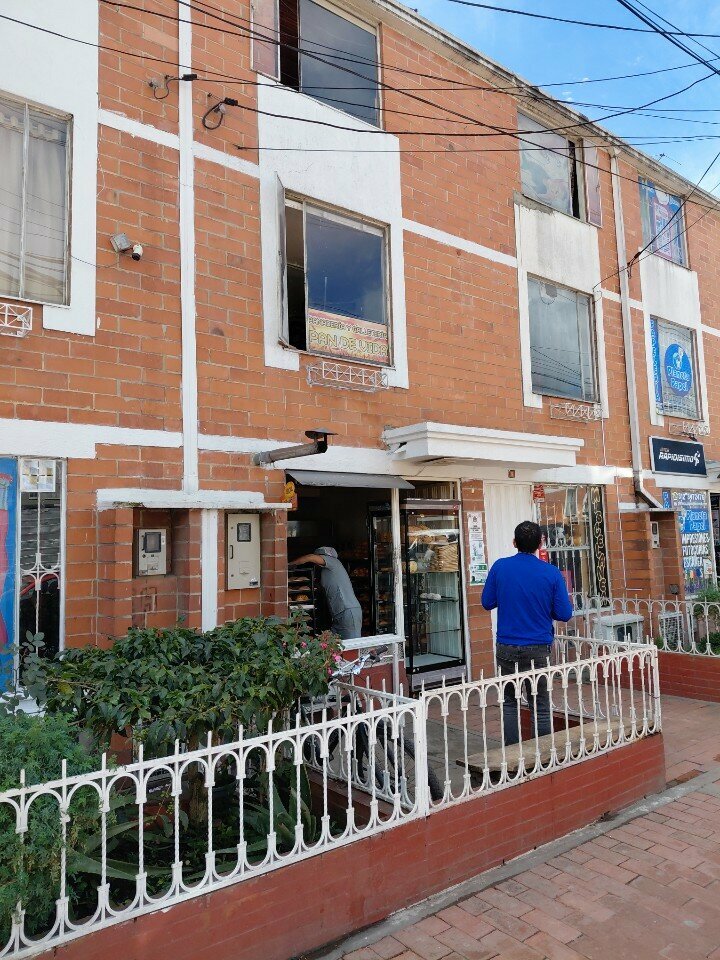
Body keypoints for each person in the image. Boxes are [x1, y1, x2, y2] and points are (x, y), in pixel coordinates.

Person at [481, 520, 573, 746]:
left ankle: (511, 756)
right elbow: (564, 613)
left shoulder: (500, 567)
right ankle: (541, 756)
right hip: (539, 648)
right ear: (540, 543)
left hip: (506, 647)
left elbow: (487, 602)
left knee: (510, 702)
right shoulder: (550, 573)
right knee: (540, 705)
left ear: (514, 543)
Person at [289, 547, 363, 641]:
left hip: (347, 612)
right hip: (339, 615)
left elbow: (310, 557)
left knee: (352, 647)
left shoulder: (333, 562)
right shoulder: (329, 571)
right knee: (330, 645)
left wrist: (291, 564)